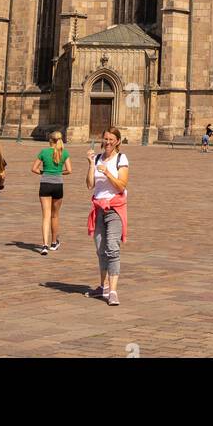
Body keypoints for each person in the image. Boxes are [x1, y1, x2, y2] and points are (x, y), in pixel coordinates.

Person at [86, 128, 128, 307]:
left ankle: (113, 291)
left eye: (111, 139)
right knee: (100, 248)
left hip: (115, 209)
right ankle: (102, 287)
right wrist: (90, 164)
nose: (108, 142)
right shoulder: (97, 158)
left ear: (118, 141)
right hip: (98, 208)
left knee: (112, 248)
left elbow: (121, 185)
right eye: (105, 138)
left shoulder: (121, 159)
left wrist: (108, 173)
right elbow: (89, 185)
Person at [32, 131, 71, 255]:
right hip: (58, 185)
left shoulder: (44, 152)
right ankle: (54, 242)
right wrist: (59, 173)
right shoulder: (64, 152)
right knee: (55, 215)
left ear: (50, 140)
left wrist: (44, 172)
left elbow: (34, 169)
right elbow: (69, 170)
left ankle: (44, 245)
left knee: (46, 216)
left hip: (45, 184)